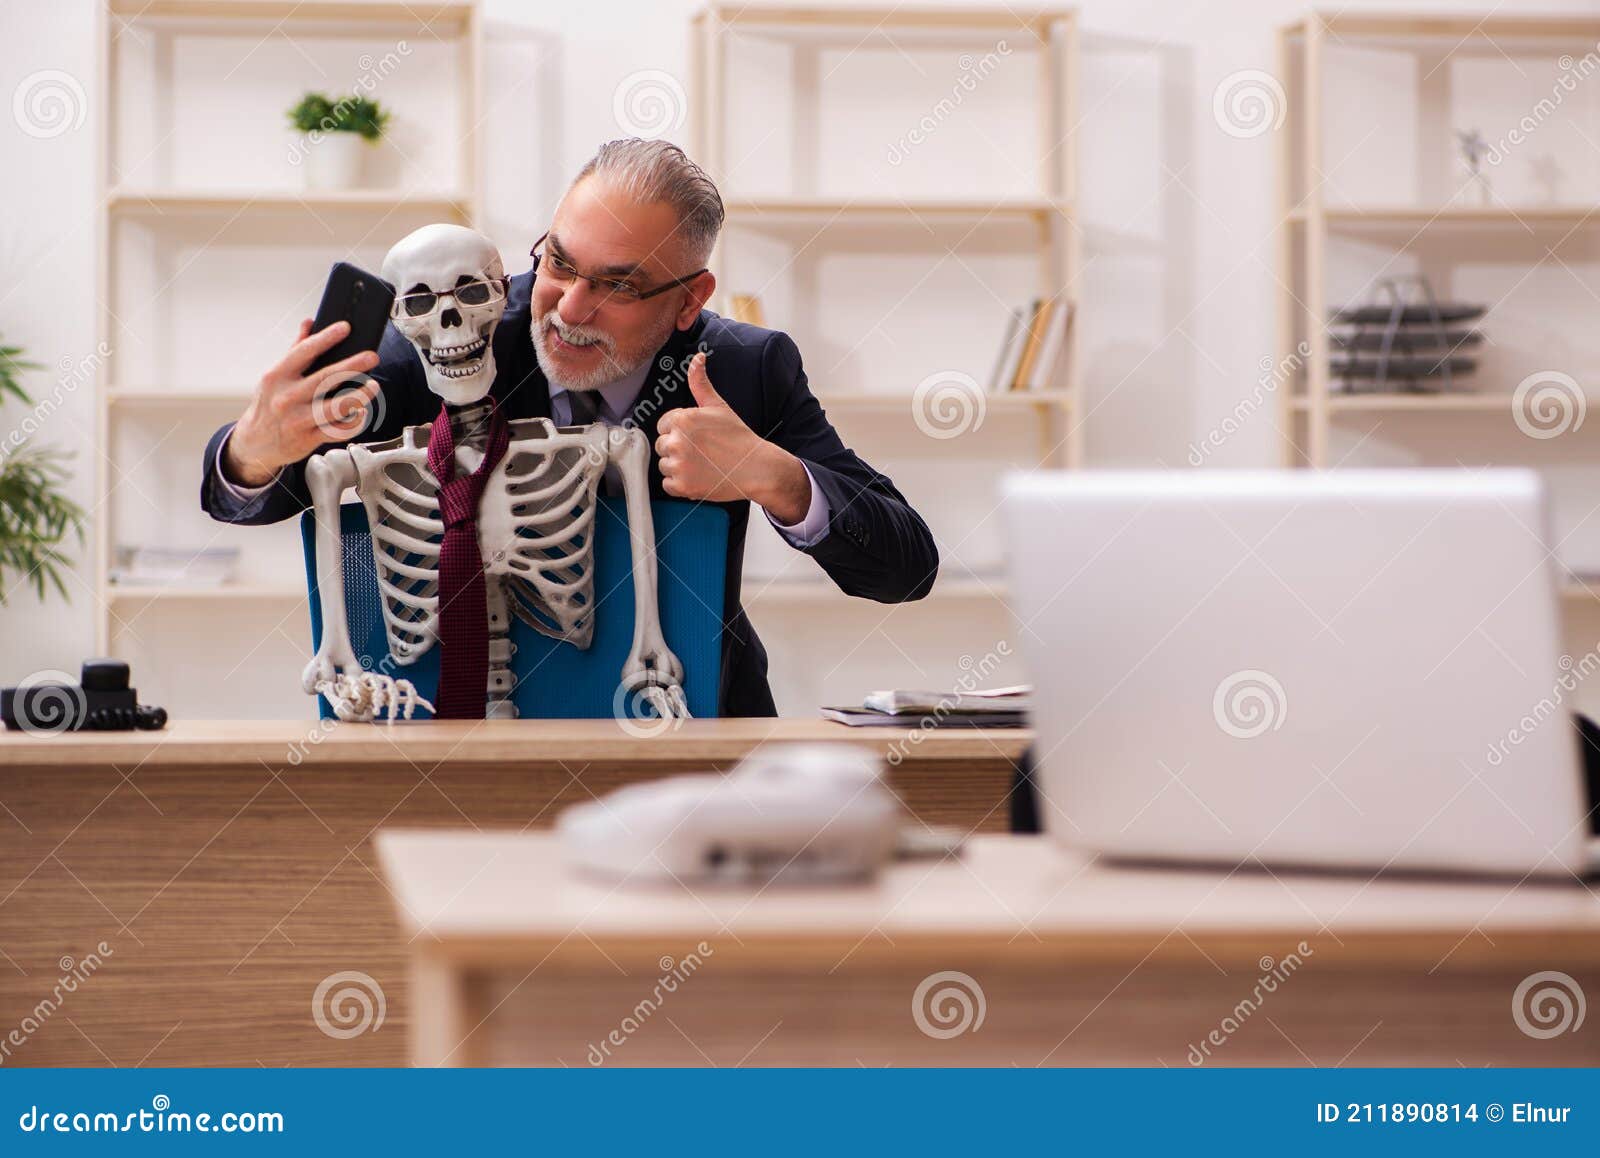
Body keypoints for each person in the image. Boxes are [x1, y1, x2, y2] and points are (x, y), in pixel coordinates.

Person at [200, 138, 939, 716]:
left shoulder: (746, 367)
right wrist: (255, 451)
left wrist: (775, 476)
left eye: (618, 284)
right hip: (450, 723)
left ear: (690, 301)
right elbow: (245, 491)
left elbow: (906, 567)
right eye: (559, 261)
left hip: (681, 720)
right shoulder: (453, 331)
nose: (570, 308)